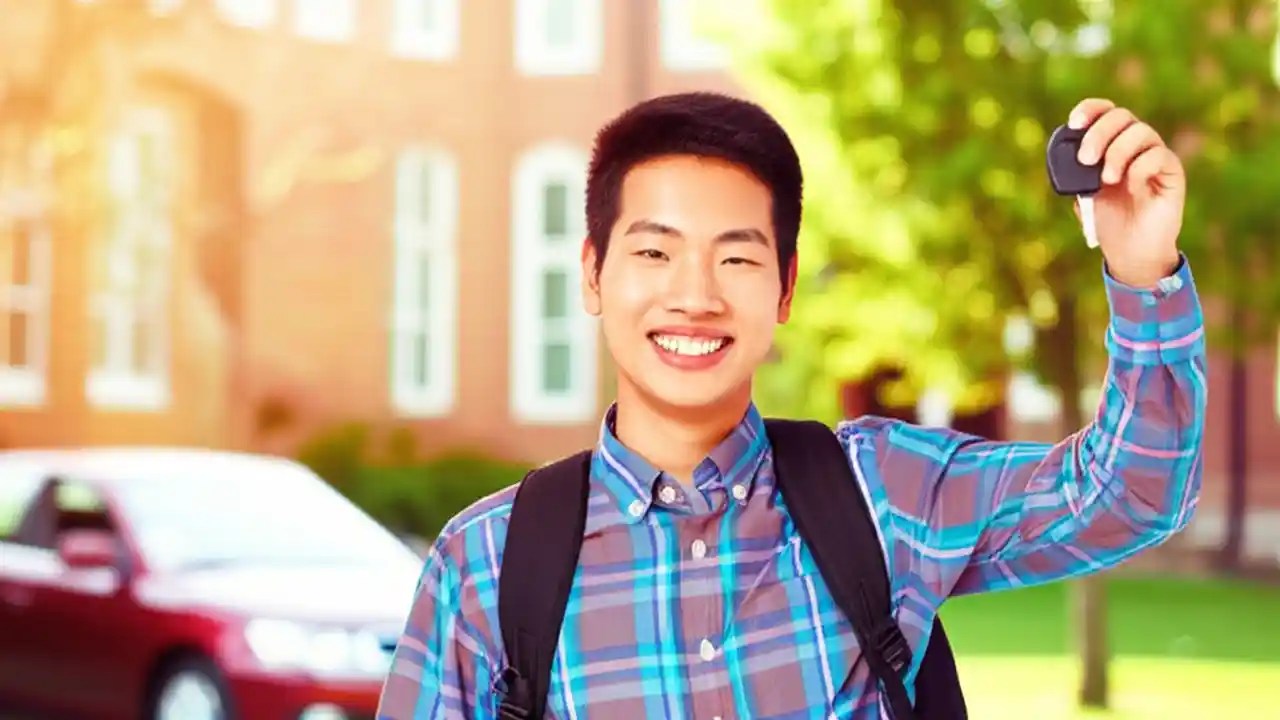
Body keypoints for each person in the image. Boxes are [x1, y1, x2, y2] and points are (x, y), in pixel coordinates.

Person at [376, 92, 1206, 719]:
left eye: (736, 258)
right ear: (593, 273)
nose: (694, 295)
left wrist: (1141, 271)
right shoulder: (485, 566)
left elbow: (1128, 492)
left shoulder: (885, 495)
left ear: (785, 287)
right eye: (655, 252)